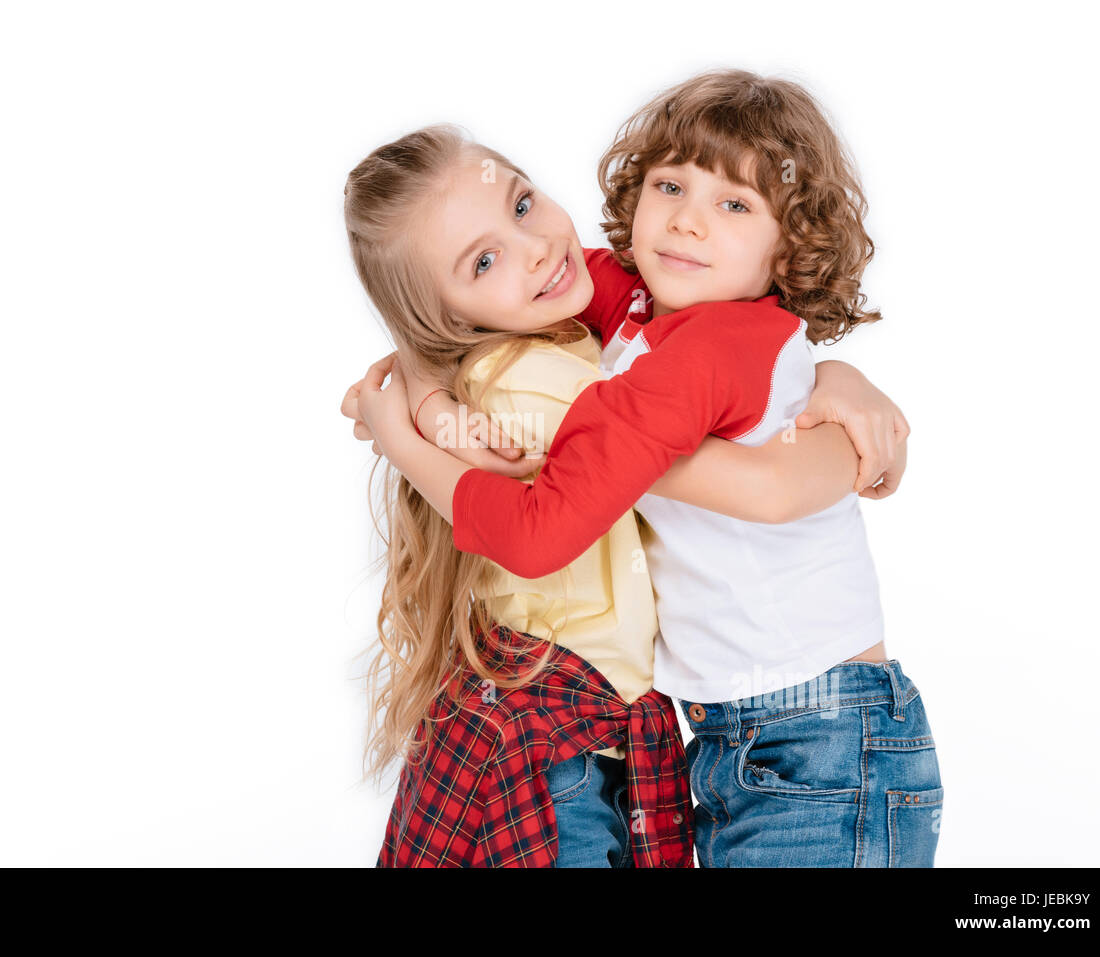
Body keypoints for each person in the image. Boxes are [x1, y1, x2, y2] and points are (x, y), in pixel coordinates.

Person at [353, 70, 941, 867]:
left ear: (790, 246)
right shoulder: (642, 306)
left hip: (821, 739)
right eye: (672, 185)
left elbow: (535, 534)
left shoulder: (700, 356)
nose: (689, 223)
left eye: (734, 205)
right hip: (750, 737)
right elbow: (484, 302)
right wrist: (424, 388)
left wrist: (407, 444)